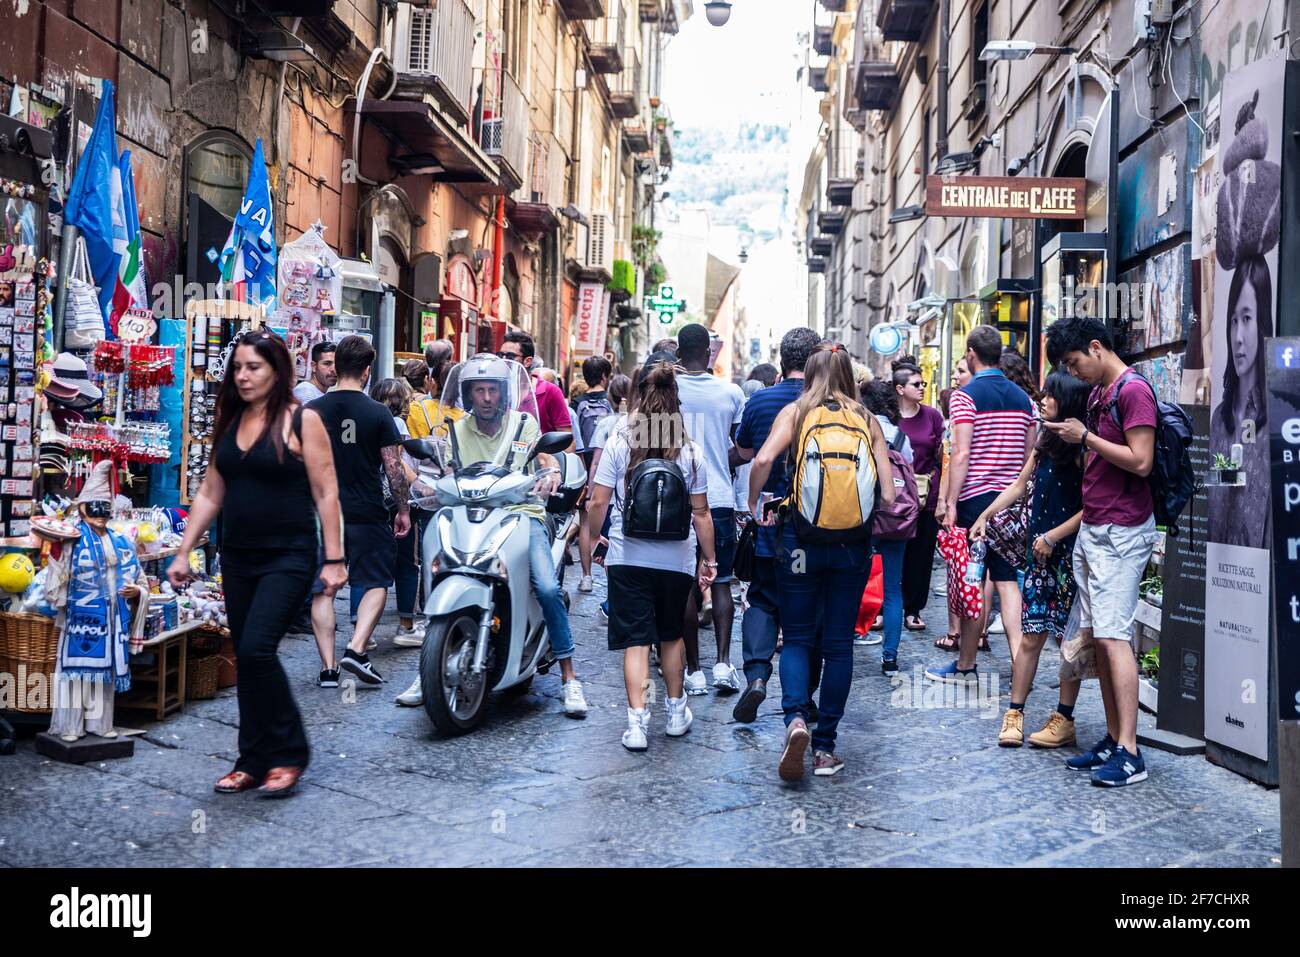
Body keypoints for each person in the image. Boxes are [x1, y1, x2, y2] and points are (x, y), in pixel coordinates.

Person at [169, 330, 346, 797]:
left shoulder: (302, 421)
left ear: (277, 370)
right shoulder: (231, 423)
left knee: (257, 651)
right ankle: (252, 759)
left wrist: (335, 559)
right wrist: (185, 550)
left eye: (255, 367)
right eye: (239, 368)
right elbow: (210, 492)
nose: (243, 377)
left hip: (288, 555)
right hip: (239, 556)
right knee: (246, 658)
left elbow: (327, 491)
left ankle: (289, 752)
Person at [395, 354, 589, 716]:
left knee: (546, 587)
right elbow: (447, 468)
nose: (485, 397)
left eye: (492, 390)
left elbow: (545, 459)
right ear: (467, 394)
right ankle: (428, 670)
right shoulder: (454, 429)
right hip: (467, 514)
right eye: (478, 390)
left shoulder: (525, 425)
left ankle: (569, 677)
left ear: (503, 393)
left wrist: (551, 476)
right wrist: (427, 486)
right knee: (438, 574)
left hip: (521, 514)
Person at [748, 343, 896, 779]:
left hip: (799, 542)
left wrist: (756, 501)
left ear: (809, 374)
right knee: (837, 645)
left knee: (795, 636)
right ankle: (826, 747)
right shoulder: (866, 420)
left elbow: (761, 458)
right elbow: (888, 494)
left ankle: (795, 719)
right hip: (851, 546)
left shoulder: (796, 412)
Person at [1043, 315, 1159, 787]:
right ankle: (1114, 738)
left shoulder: (1133, 391)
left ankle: (1131, 753)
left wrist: (1085, 438)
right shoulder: (1097, 395)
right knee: (1098, 638)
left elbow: (1142, 461)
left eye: (1074, 362)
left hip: (1123, 531)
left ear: (1096, 347)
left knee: (1114, 637)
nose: (1074, 373)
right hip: (1096, 527)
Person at [587, 360, 717, 750]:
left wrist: (595, 538)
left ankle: (637, 726)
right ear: (676, 400)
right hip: (675, 560)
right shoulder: (690, 450)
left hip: (628, 556)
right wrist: (709, 561)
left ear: (638, 396)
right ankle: (676, 714)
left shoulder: (619, 440)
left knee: (636, 643)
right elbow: (701, 513)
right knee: (672, 638)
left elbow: (598, 500)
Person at [970, 369, 1090, 749]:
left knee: (1070, 641)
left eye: (1050, 395)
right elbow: (1020, 486)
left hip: (1069, 557)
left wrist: (1054, 537)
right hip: (1037, 557)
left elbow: (1092, 507)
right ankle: (1015, 713)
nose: (1042, 399)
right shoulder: (1045, 441)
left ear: (1067, 401)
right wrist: (985, 515)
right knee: (1031, 636)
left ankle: (1063, 718)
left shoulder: (1083, 450)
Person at [928, 326, 1034, 686]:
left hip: (975, 501)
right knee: (1007, 583)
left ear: (971, 354)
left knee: (973, 581)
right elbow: (1029, 456)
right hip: (1012, 503)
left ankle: (966, 664)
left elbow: (961, 453)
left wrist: (950, 502)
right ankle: (1022, 664)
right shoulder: (1024, 400)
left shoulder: (965, 397)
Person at [729, 327, 823, 723]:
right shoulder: (830, 404)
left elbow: (748, 452)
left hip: (769, 521)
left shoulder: (762, 400)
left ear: (782, 360)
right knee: (806, 613)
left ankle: (756, 675)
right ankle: (802, 700)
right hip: (816, 527)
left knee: (763, 600)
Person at [307, 335, 411, 688]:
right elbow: (394, 470)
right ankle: (356, 646)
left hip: (321, 514)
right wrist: (403, 509)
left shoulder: (311, 411)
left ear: (334, 368)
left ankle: (328, 668)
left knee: (323, 590)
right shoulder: (379, 413)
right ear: (366, 371)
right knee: (376, 582)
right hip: (366, 510)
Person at [673, 323, 746, 694]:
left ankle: (693, 670)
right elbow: (744, 450)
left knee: (686, 584)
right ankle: (723, 664)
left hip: (674, 500)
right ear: (709, 351)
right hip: (717, 498)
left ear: (679, 352)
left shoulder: (666, 391)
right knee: (721, 582)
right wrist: (719, 458)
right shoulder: (731, 393)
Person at [1210, 255, 1271, 548]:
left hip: (1261, 577)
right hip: (1222, 575)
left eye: (1246, 318)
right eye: (1233, 321)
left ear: (1262, 322)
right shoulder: (1219, 420)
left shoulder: (1274, 418)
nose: (1237, 336)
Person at [858, 379, 913, 672]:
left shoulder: (859, 430)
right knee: (893, 589)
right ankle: (889, 655)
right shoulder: (901, 437)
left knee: (853, 581)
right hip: (896, 519)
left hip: (863, 518)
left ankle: (848, 638)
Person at [893, 357, 945, 633]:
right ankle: (884, 606)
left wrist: (940, 488)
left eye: (922, 383)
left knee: (921, 555)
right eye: (916, 384)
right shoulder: (890, 417)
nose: (922, 387)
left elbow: (942, 454)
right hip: (895, 496)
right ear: (900, 389)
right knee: (891, 553)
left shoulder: (933, 416)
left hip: (926, 495)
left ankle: (913, 609)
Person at [371, 377, 423, 641]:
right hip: (397, 499)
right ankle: (407, 625)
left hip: (372, 501)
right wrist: (420, 486)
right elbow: (398, 465)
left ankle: (364, 631)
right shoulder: (398, 423)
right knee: (406, 563)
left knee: (371, 564)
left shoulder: (367, 417)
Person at [575, 356, 614, 593]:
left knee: (584, 522)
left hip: (585, 463)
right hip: (607, 464)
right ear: (604, 376)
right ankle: (612, 578)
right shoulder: (610, 403)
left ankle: (586, 575)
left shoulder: (576, 402)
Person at [499, 330, 572, 437]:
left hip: (538, 452)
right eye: (500, 355)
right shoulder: (494, 390)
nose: (503, 360)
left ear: (528, 361)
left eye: (510, 356)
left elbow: (567, 439)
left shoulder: (550, 391)